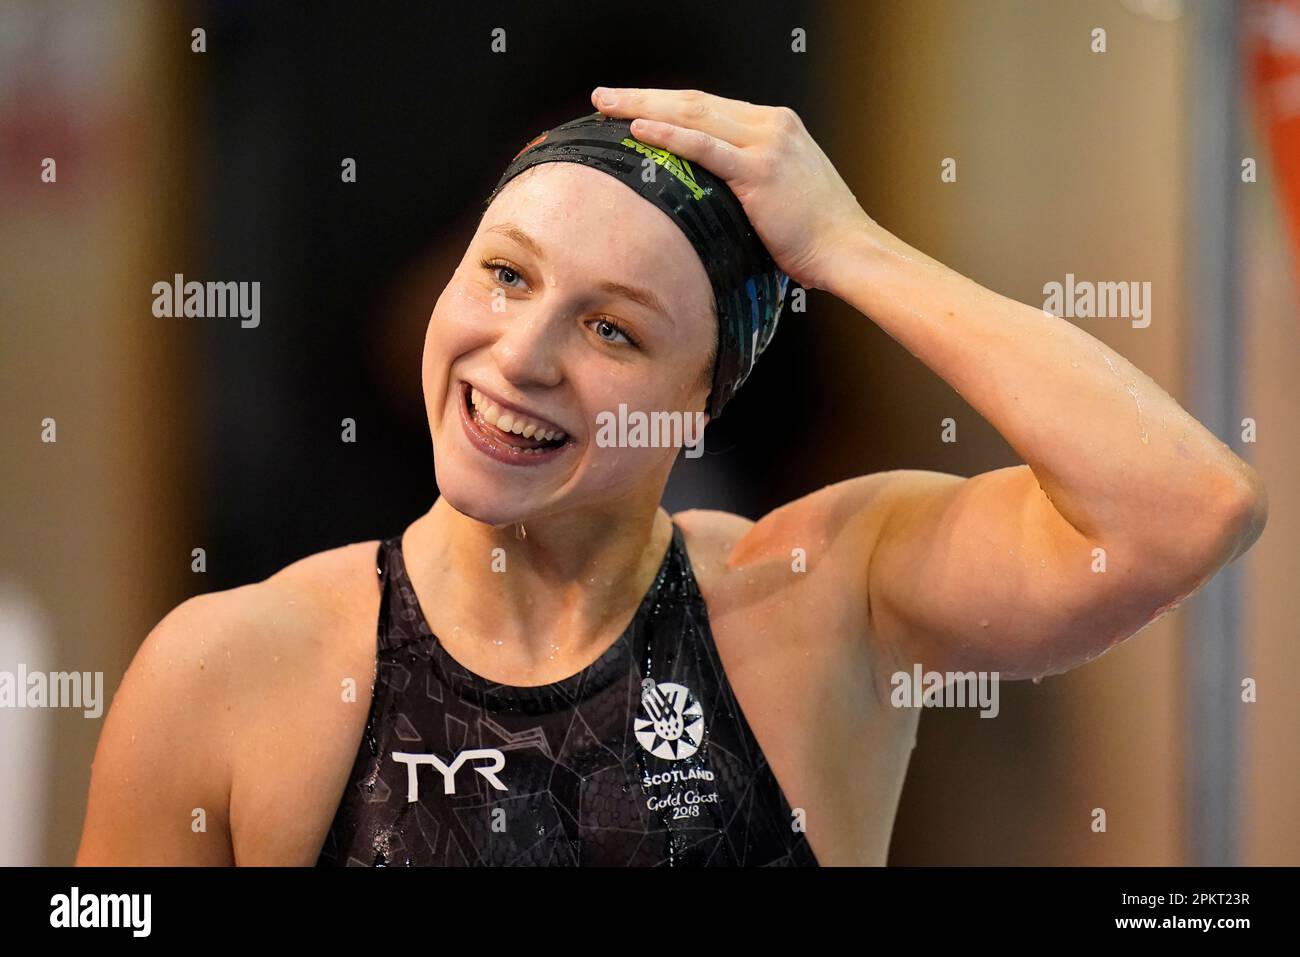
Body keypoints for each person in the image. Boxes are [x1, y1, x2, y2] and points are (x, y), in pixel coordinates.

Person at [75, 87, 1267, 867]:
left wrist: (851, 248)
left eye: (613, 332)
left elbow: (1182, 507)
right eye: (504, 274)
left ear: (698, 405)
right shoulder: (228, 670)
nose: (523, 355)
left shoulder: (823, 597)